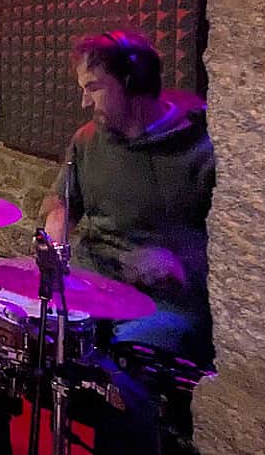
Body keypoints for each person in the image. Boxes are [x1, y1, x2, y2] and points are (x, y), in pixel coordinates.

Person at [41, 30, 214, 454]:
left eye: (95, 88)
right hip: (95, 286)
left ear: (135, 82)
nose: (85, 102)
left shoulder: (202, 148)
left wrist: (180, 262)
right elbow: (61, 205)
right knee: (2, 330)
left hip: (165, 304)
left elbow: (238, 246)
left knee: (124, 371)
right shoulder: (87, 140)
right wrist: (54, 243)